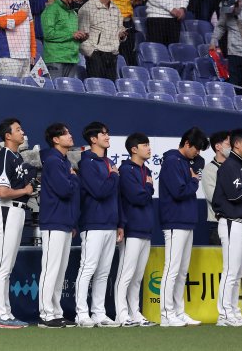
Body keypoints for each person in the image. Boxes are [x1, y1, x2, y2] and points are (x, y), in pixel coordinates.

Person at [158, 127, 209, 327]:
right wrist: (194, 181)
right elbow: (179, 191)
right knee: (172, 268)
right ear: (187, 143)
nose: (198, 153)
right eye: (196, 148)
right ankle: (166, 314)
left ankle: (178, 311)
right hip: (174, 221)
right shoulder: (172, 161)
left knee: (182, 270)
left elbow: (195, 170)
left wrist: (192, 177)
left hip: (187, 220)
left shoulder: (188, 162)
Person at [0, 118, 35, 329]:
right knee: (2, 266)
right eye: (18, 129)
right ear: (8, 135)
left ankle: (5, 313)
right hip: (7, 210)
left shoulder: (16, 157)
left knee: (6, 267)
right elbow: (2, 192)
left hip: (17, 211)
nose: (22, 131)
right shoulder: (5, 156)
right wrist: (25, 191)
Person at [74, 122, 120, 328]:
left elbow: (115, 196)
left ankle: (99, 313)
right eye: (104, 133)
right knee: (88, 268)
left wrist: (119, 223)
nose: (107, 136)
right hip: (92, 223)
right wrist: (113, 175)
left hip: (110, 224)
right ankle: (81, 313)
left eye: (107, 132)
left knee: (103, 271)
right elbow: (99, 191)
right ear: (93, 139)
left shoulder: (108, 162)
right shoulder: (87, 163)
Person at [212, 128, 242, 327]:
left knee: (238, 271)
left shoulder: (241, 165)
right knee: (231, 270)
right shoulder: (229, 165)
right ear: (237, 144)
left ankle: (233, 311)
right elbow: (235, 195)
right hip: (231, 222)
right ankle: (224, 315)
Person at [37, 123, 78, 329]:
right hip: (53, 220)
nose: (70, 136)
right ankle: (46, 314)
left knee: (60, 271)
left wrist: (71, 222)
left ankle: (56, 312)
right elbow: (65, 190)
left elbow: (69, 191)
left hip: (64, 221)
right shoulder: (53, 160)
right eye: (65, 133)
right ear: (56, 139)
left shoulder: (63, 160)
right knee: (50, 269)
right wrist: (72, 177)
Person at [114, 133, 156, 328]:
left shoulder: (146, 170)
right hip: (131, 228)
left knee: (138, 276)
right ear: (134, 149)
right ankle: (121, 315)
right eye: (144, 145)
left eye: (148, 144)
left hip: (146, 228)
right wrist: (148, 187)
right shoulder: (126, 169)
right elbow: (137, 197)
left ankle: (135, 312)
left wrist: (146, 188)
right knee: (126, 273)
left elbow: (145, 194)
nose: (148, 148)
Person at [78, 0, 125, 80]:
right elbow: (82, 35)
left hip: (112, 55)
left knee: (110, 90)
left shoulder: (115, 9)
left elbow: (120, 27)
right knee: (96, 89)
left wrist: (122, 34)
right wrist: (91, 54)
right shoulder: (87, 8)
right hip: (96, 56)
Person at [42, 0, 86, 78]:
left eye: (80, 1)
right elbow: (48, 34)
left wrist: (81, 37)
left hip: (72, 59)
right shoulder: (51, 10)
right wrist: (72, 35)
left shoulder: (73, 13)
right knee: (54, 91)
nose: (78, 3)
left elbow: (73, 34)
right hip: (55, 59)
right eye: (76, 0)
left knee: (67, 91)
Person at [201, 131, 231, 246]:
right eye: (228, 144)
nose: (232, 148)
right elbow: (214, 198)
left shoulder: (237, 167)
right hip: (217, 223)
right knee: (219, 262)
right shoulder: (209, 169)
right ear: (218, 146)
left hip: (238, 224)